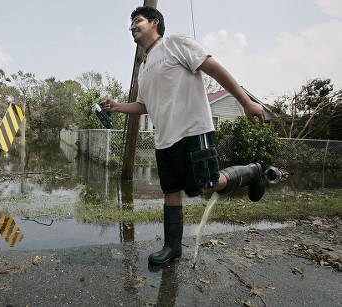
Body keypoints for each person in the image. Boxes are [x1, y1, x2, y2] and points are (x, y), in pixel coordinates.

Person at [101, 6, 266, 265]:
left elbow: (214, 69)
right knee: (171, 191)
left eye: (138, 21)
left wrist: (245, 103)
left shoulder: (174, 43)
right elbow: (145, 105)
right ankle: (172, 247)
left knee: (207, 185)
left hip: (193, 131)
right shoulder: (143, 67)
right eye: (131, 23)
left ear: (154, 22)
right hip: (164, 138)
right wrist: (118, 106)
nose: (132, 26)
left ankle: (252, 171)